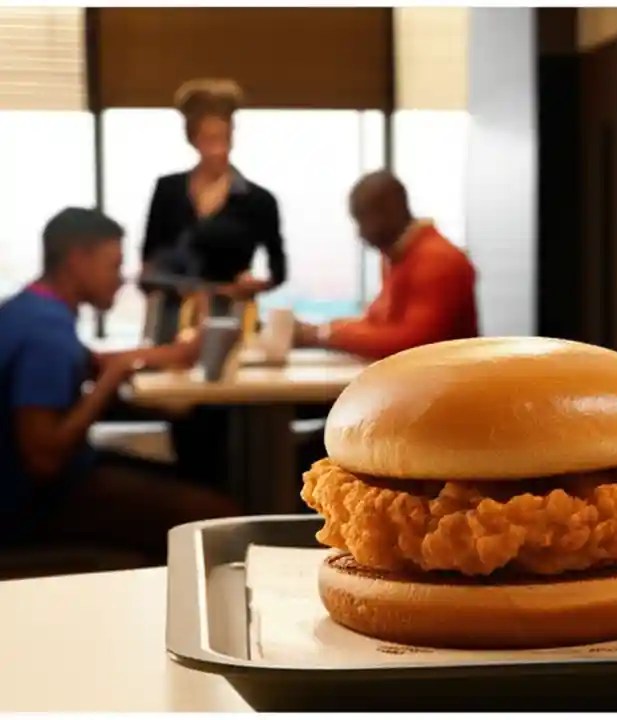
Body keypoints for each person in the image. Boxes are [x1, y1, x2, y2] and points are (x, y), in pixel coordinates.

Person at [0, 208, 239, 563]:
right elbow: (43, 459)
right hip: (31, 503)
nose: (121, 279)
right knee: (221, 518)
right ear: (78, 260)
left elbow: (96, 363)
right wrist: (111, 380)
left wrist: (178, 352)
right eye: (113, 265)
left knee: (191, 477)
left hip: (39, 484)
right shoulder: (45, 335)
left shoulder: (28, 309)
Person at [140, 78, 287, 335]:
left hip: (231, 317)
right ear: (193, 140)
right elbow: (149, 260)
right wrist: (171, 283)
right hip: (172, 317)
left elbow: (278, 269)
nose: (217, 149)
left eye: (223, 138)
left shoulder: (258, 200)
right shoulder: (168, 190)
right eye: (208, 139)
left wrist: (254, 284)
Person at [294, 171, 479, 359]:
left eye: (364, 219)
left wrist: (326, 335)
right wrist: (322, 331)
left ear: (391, 210)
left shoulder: (438, 261)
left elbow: (412, 345)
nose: (361, 233)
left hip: (446, 385)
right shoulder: (399, 256)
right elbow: (378, 323)